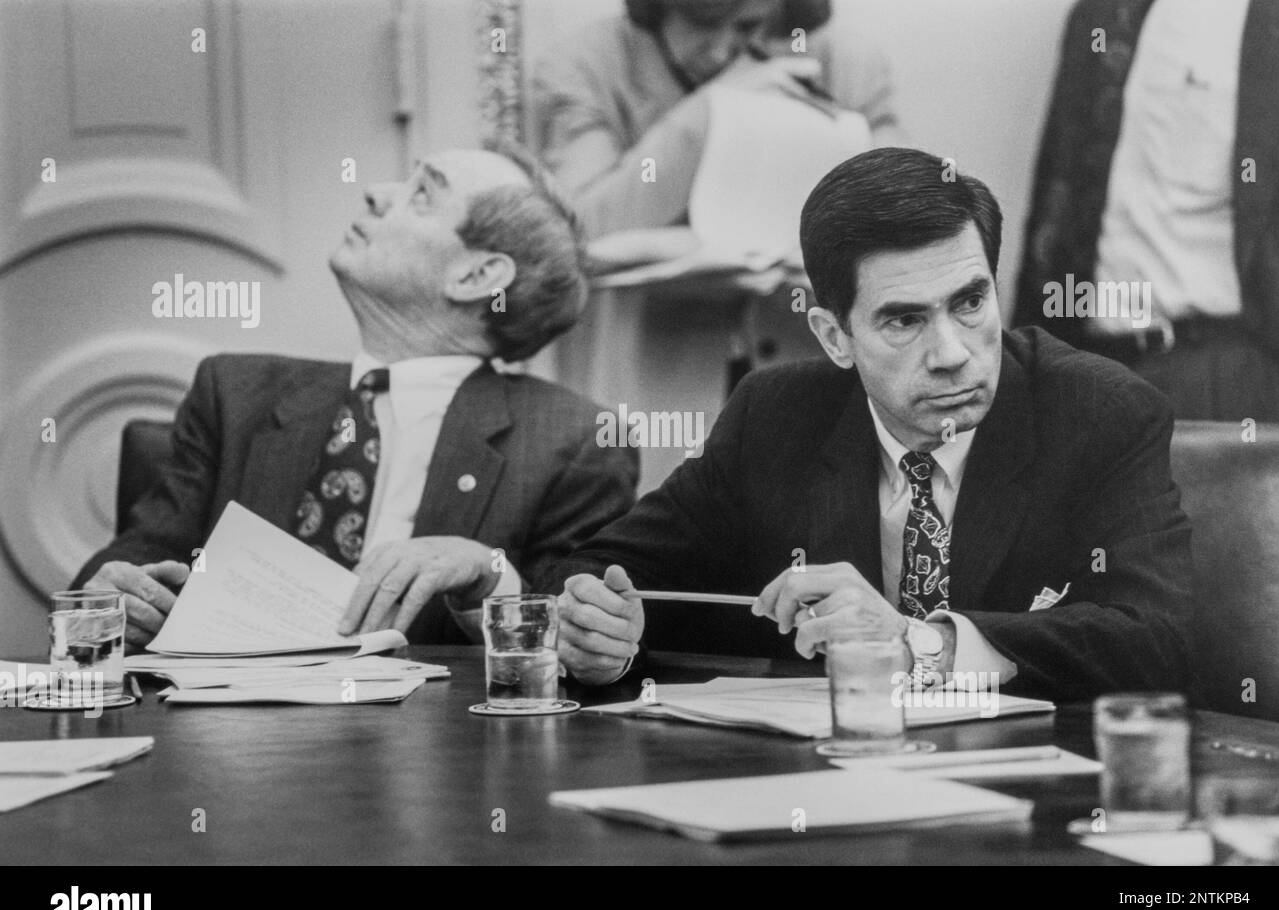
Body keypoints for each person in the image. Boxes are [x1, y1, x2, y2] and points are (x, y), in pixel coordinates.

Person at [545, 147, 1193, 702]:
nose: (950, 353)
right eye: (904, 320)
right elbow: (600, 576)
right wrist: (602, 636)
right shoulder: (775, 416)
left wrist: (919, 645)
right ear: (834, 338)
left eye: (970, 303)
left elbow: (1159, 642)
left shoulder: (1099, 411)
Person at [74, 145, 639, 648]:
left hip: (435, 752)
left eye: (422, 194)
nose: (375, 193)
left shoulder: (574, 442)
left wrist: (489, 574)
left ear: (475, 276)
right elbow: (133, 566)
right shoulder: (233, 395)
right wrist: (107, 602)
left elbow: (578, 646)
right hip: (229, 744)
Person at [1012, 0, 1279, 420]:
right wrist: (1023, 375)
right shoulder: (1101, 16)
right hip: (1086, 370)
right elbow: (1053, 205)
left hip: (1223, 374)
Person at [531, 0, 903, 238]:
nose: (722, 51)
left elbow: (903, 214)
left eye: (748, 25)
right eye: (703, 28)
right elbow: (581, 226)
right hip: (657, 346)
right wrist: (708, 110)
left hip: (802, 341)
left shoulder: (843, 58)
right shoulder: (581, 66)